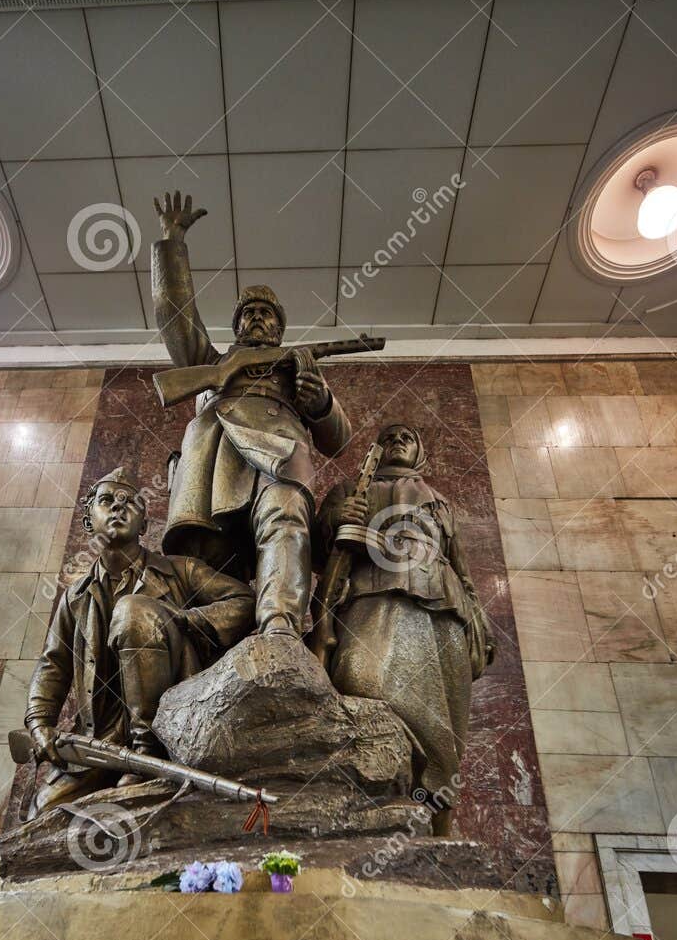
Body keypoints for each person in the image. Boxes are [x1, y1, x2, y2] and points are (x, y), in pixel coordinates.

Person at [151, 191, 352, 639]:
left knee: (287, 518)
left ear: (280, 329)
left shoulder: (299, 366)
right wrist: (172, 241)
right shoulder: (211, 360)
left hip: (281, 455)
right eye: (250, 313)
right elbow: (173, 313)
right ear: (237, 326)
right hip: (216, 461)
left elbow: (339, 438)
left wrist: (317, 401)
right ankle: (196, 649)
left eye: (267, 315)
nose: (258, 319)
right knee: (207, 562)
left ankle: (279, 626)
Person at [23, 467, 254, 817]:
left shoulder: (181, 571)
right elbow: (53, 664)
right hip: (101, 739)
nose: (118, 508)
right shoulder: (75, 597)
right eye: (106, 501)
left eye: (129, 502)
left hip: (169, 727)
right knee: (43, 810)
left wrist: (186, 620)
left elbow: (245, 602)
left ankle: (147, 758)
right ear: (89, 523)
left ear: (144, 526)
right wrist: (40, 724)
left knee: (134, 610)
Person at [313, 423, 494, 833]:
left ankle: (436, 819)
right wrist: (336, 519)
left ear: (420, 453)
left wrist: (476, 618)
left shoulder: (441, 503)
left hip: (442, 610)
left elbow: (462, 569)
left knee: (446, 717)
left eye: (406, 437)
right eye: (389, 436)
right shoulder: (351, 489)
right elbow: (317, 549)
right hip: (370, 599)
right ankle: (368, 800)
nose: (397, 441)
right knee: (362, 677)